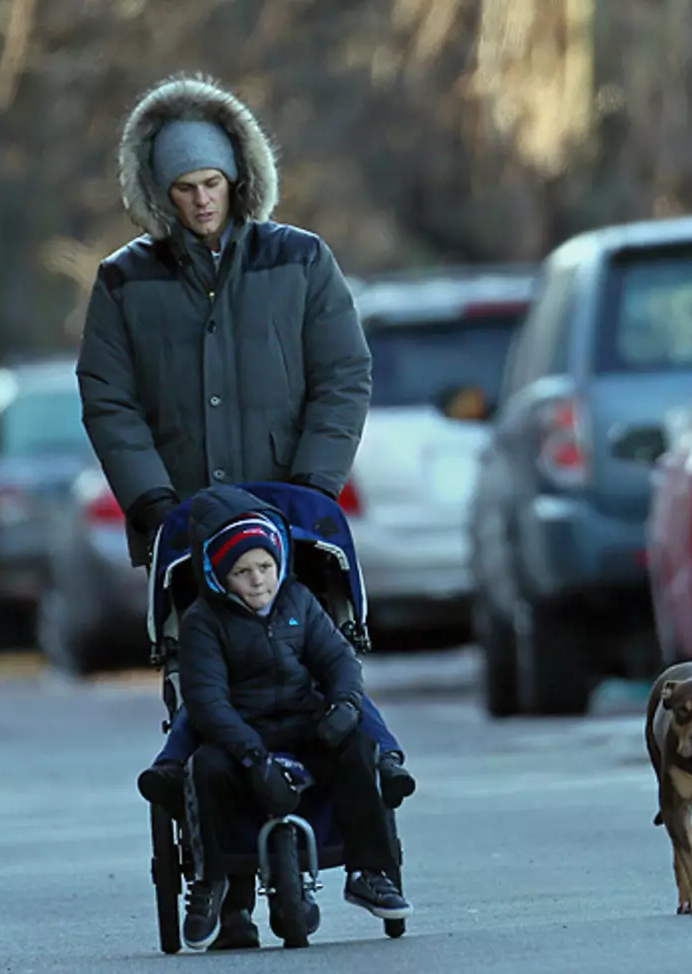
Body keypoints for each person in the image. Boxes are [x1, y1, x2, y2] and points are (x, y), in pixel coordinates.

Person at [74, 73, 415, 819]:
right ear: (159, 193)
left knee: (315, 655)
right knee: (205, 668)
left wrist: (316, 481)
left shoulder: (298, 262)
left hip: (292, 511)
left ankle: (354, 795)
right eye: (185, 187)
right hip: (186, 517)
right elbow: (108, 397)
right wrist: (154, 497)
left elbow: (342, 374)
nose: (201, 200)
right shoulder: (126, 282)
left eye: (213, 183)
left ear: (238, 178)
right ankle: (217, 839)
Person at [177, 485, 411, 950]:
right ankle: (214, 882)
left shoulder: (300, 601)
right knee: (206, 767)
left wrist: (344, 707)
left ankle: (368, 870)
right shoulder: (204, 622)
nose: (258, 581)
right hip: (244, 737)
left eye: (265, 567)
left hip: (305, 726)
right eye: (242, 572)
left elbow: (338, 661)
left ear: (279, 563)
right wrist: (251, 754)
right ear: (222, 577)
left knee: (356, 748)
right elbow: (207, 699)